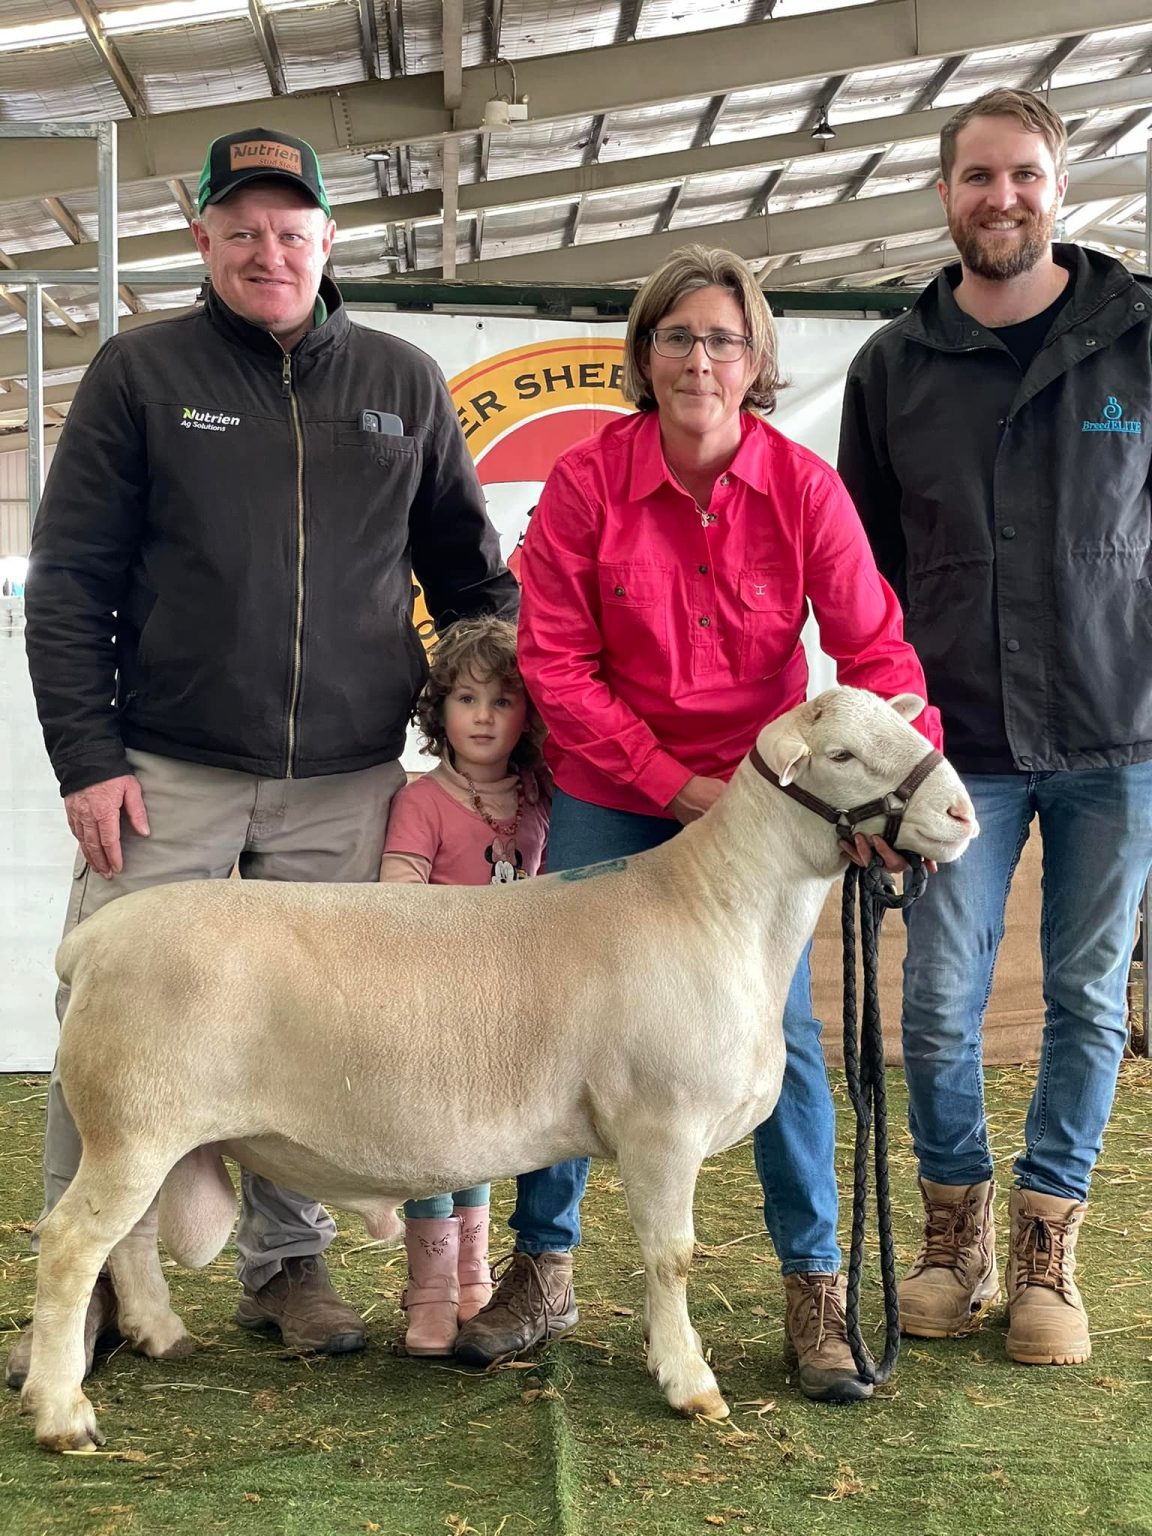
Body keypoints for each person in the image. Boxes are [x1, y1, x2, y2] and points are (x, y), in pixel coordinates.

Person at [11, 126, 517, 1389]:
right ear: (202, 241)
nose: (266, 250)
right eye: (240, 229)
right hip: (164, 770)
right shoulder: (137, 374)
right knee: (114, 1017)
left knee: (320, 1030)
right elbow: (68, 583)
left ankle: (286, 1266)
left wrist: (512, 735)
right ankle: (78, 1291)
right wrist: (87, 756)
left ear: (329, 241)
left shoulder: (402, 381)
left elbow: (470, 577)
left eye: (291, 230)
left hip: (346, 779)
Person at [454, 243, 945, 1403]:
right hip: (620, 788)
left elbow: (877, 653)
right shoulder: (587, 483)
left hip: (763, 810)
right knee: (556, 1022)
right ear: (644, 354)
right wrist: (677, 787)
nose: (699, 359)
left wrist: (875, 780)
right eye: (676, 337)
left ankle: (813, 1283)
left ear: (757, 359)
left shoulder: (804, 487)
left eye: (723, 338)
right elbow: (556, 662)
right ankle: (545, 1264)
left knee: (778, 1034)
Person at [838, 87, 1152, 1366]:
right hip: (951, 747)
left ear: (1060, 189)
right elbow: (859, 582)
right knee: (940, 1001)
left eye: (1024, 175)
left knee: (1086, 998)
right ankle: (952, 1232)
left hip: (1118, 735)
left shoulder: (1140, 340)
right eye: (979, 177)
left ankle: (1046, 1249)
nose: (1002, 198)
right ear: (946, 194)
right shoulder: (893, 367)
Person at [379, 616, 549, 1355]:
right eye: (467, 698)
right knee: (431, 1142)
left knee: (484, 1141)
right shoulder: (422, 803)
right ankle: (429, 1294)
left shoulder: (541, 801)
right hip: (435, 1003)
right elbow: (398, 899)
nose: (483, 716)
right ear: (437, 710)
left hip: (508, 1004)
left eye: (503, 701)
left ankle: (476, 1278)